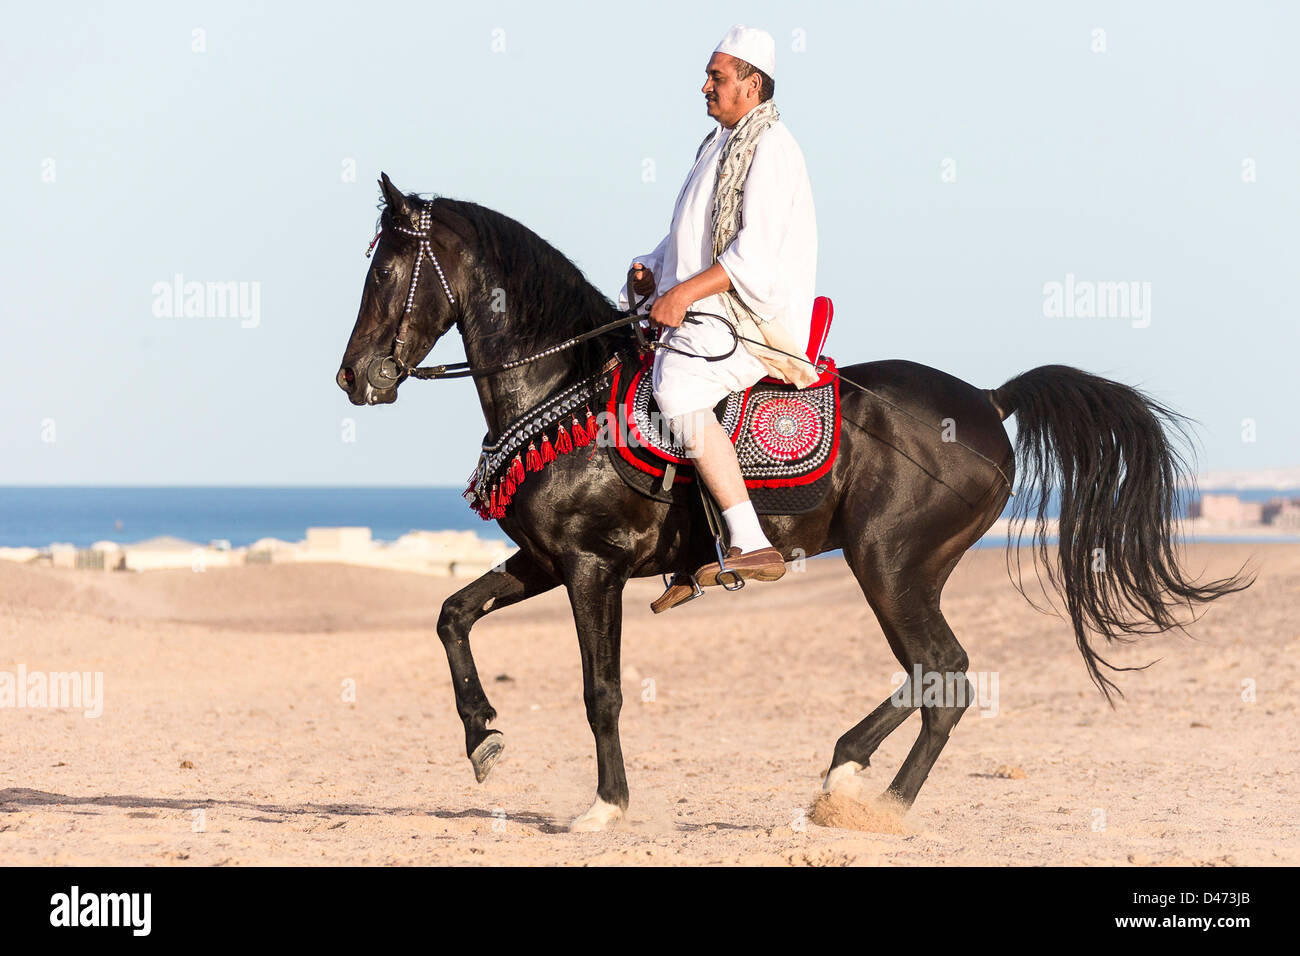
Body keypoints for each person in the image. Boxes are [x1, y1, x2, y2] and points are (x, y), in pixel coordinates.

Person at [620, 24, 818, 601]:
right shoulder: (716, 144)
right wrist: (654, 271)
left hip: (753, 318)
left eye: (717, 77)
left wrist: (682, 295)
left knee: (678, 389)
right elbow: (687, 239)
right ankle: (690, 547)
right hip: (712, 305)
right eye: (708, 75)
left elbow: (752, 255)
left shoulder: (773, 147)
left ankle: (749, 538)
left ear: (751, 85)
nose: (704, 86)